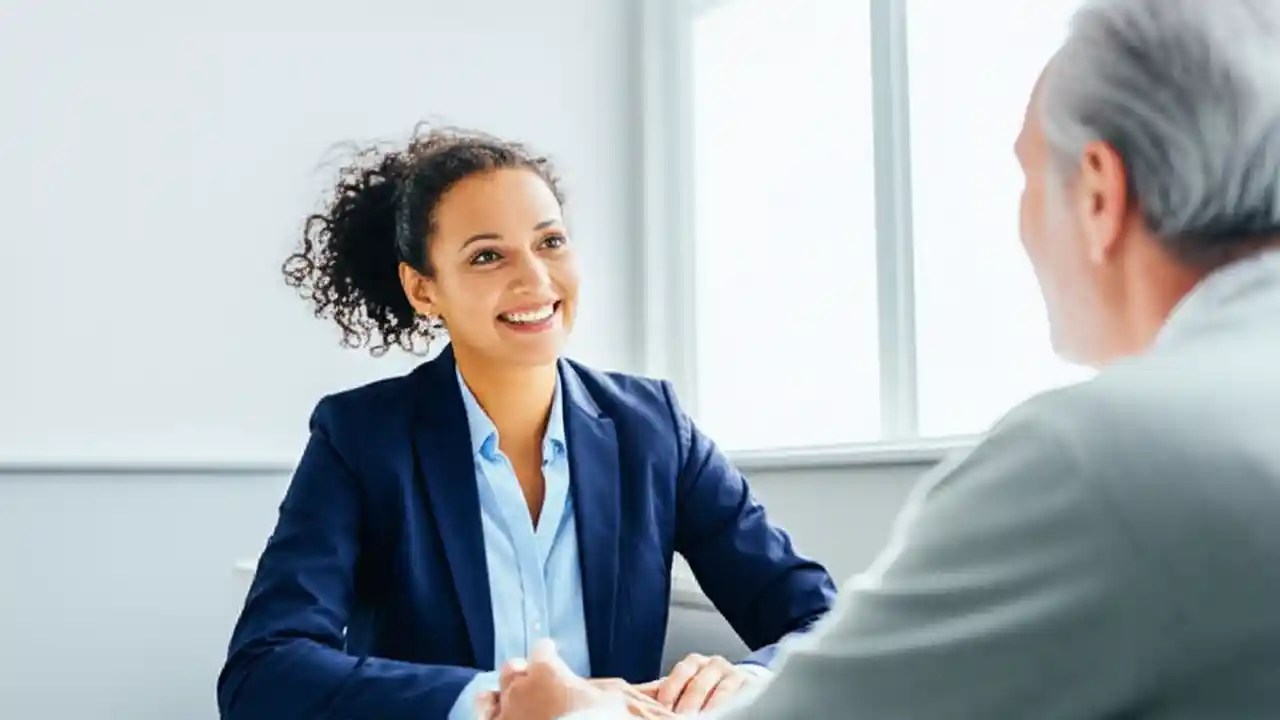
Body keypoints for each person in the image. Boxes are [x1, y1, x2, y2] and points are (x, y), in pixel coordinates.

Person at [489, 0, 1280, 717]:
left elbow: (813, 646)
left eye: (1027, 175)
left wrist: (571, 715)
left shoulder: (1089, 457)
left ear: (1100, 192)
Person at [214, 127, 837, 720]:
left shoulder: (654, 429)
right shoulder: (360, 437)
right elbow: (263, 671)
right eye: (488, 256)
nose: (536, 279)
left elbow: (820, 621)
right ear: (423, 289)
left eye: (551, 242)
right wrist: (499, 703)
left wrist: (748, 678)